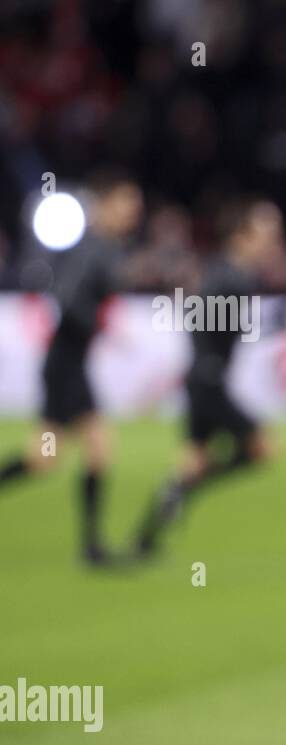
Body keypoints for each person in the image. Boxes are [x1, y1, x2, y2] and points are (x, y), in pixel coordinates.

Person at [0, 172, 142, 565]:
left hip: (68, 364)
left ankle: (92, 547)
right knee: (73, 452)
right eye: (127, 203)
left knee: (52, 456)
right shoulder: (94, 248)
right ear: (107, 203)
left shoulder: (100, 247)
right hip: (65, 366)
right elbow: (65, 296)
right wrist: (99, 324)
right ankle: (92, 548)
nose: (134, 212)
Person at [134, 200, 283, 557]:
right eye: (267, 234)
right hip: (209, 382)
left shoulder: (225, 272)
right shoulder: (230, 276)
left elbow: (210, 321)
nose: (273, 242)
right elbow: (203, 322)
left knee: (193, 462)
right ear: (243, 235)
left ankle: (147, 539)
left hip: (203, 379)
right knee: (263, 447)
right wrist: (209, 364)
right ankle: (181, 495)